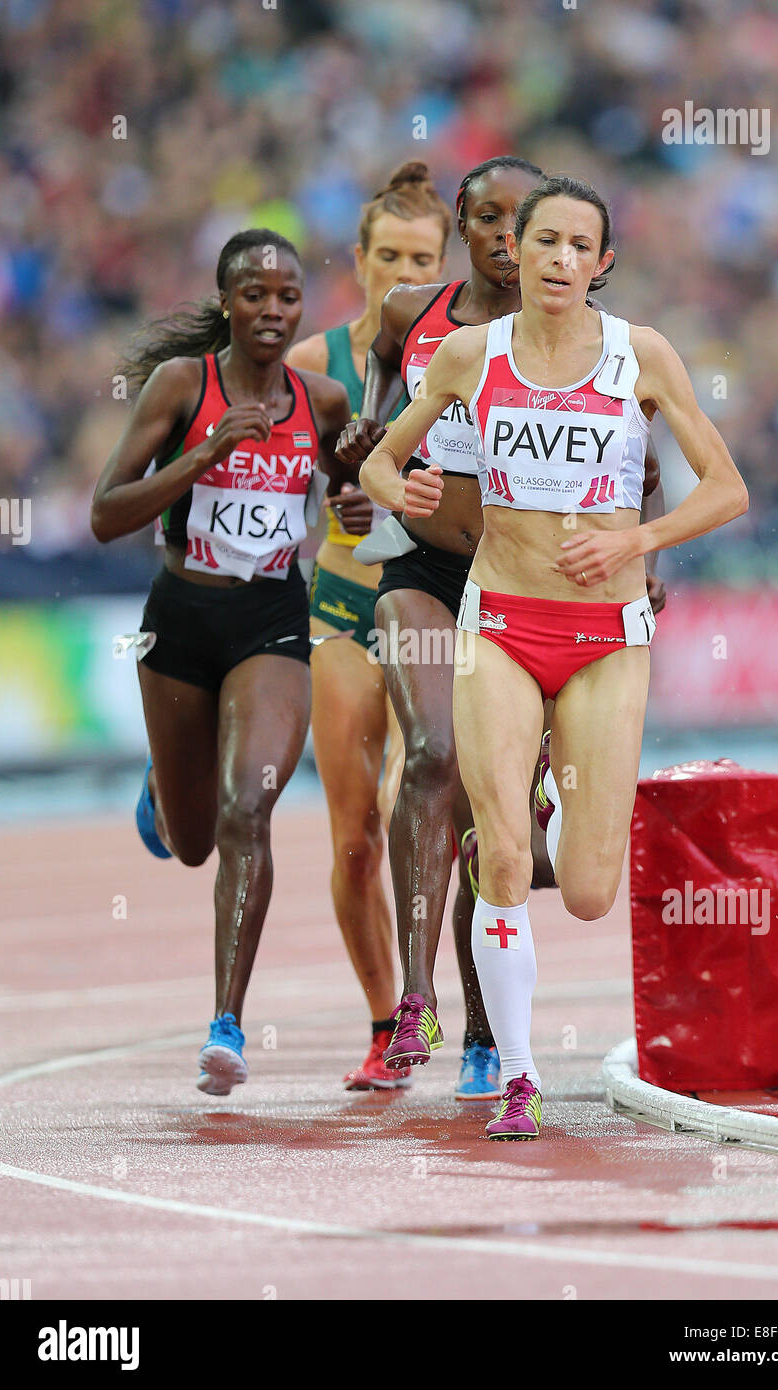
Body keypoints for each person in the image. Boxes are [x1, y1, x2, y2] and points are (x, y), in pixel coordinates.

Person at [358, 175, 748, 1139]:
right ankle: (518, 1073)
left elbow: (727, 490)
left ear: (602, 264)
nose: (562, 260)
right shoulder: (465, 354)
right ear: (516, 254)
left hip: (607, 637)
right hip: (497, 620)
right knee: (496, 855)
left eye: (583, 246)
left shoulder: (638, 354)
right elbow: (374, 457)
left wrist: (634, 543)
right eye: (547, 243)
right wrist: (394, 490)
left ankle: (544, 790)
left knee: (583, 889)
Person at [91, 229, 361, 1096]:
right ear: (226, 302)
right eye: (255, 295)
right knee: (197, 839)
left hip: (273, 620)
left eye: (287, 297)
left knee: (252, 809)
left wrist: (352, 505)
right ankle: (164, 800)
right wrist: (204, 455)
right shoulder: (183, 386)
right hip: (181, 617)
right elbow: (105, 513)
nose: (273, 310)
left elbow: (347, 498)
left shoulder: (318, 402)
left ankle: (226, 1025)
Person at [337, 157, 549, 1099]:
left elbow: (644, 472)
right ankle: (415, 999)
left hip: (521, 585)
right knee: (428, 755)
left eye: (526, 223)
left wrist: (646, 569)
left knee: (491, 803)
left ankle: (478, 1020)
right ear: (462, 222)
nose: (508, 238)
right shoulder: (407, 315)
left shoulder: (571, 336)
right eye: (490, 218)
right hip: (420, 570)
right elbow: (377, 423)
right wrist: (374, 464)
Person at [286, 162, 451, 1091]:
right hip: (345, 607)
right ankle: (388, 1024)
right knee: (355, 834)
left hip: (430, 605)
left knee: (419, 804)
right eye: (385, 255)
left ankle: (464, 1016)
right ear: (357, 259)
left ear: (444, 263)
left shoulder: (468, 352)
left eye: (420, 258)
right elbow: (280, 492)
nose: (399, 272)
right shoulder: (317, 366)